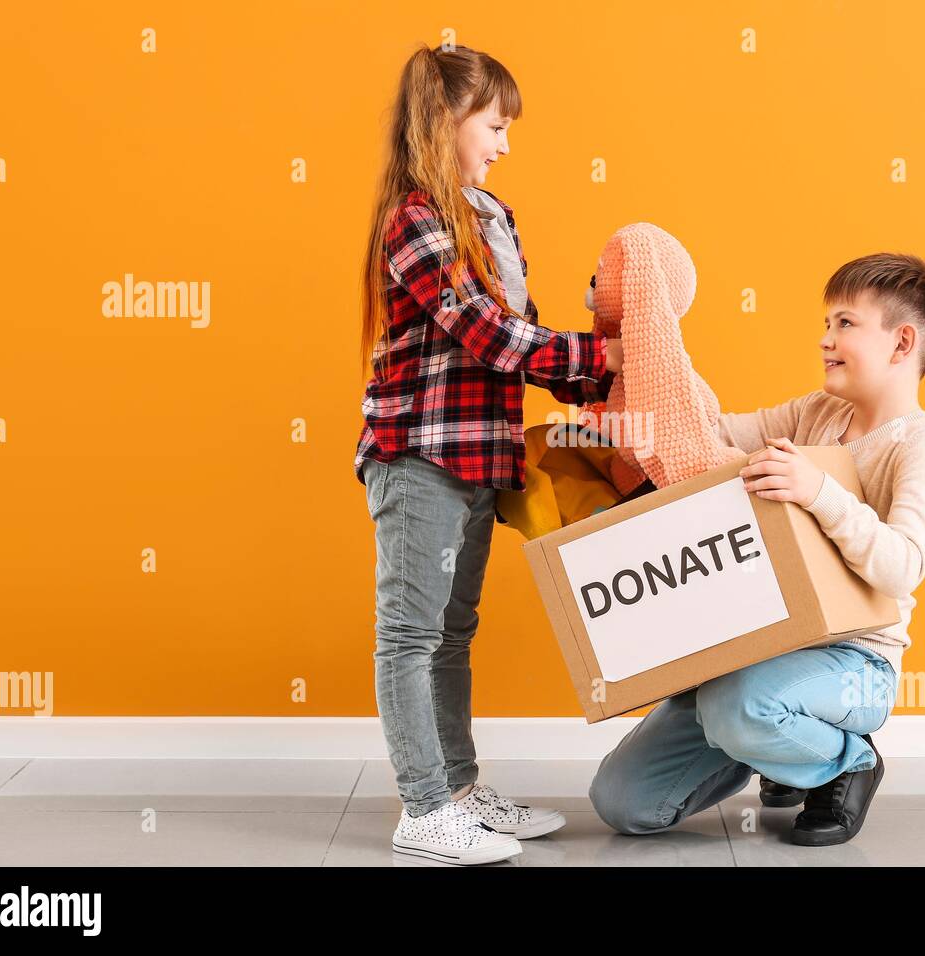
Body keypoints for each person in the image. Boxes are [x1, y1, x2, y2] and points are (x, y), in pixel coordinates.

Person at [589, 252, 925, 846]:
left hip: (857, 664)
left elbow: (901, 567)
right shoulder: (816, 413)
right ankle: (775, 750)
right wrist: (649, 349)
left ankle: (848, 761)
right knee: (622, 803)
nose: (825, 339)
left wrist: (821, 492)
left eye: (845, 324)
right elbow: (706, 432)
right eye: (826, 324)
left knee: (738, 706)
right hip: (765, 647)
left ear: (902, 343)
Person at [355, 44, 622, 865]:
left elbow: (522, 336)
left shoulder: (491, 216)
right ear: (446, 122)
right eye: (494, 124)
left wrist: (602, 395)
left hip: (481, 456)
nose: (504, 143)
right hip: (421, 455)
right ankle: (423, 809)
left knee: (453, 629)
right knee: (411, 631)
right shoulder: (415, 219)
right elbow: (490, 333)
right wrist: (598, 357)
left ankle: (461, 791)